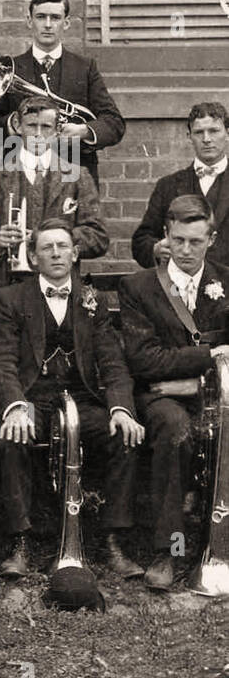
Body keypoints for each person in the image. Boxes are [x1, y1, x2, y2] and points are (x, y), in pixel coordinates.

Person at [0, 218, 145, 580]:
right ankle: (20, 541)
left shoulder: (93, 300)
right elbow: (1, 362)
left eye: (62, 247)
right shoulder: (10, 299)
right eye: (47, 247)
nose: (56, 253)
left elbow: (112, 361)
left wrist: (121, 408)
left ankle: (112, 539)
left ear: (75, 254)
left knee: (125, 434)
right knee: (14, 434)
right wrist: (14, 406)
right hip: (33, 397)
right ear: (33, 256)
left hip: (81, 396)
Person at [119, 195, 229, 590]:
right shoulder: (138, 287)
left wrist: (196, 380)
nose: (184, 250)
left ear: (211, 240)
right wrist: (213, 353)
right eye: (177, 240)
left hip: (214, 393)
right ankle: (171, 548)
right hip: (159, 398)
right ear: (165, 235)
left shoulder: (225, 281)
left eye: (195, 242)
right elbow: (145, 362)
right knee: (174, 428)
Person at [0, 95, 108, 290]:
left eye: (46, 127)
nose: (38, 134)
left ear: (57, 131)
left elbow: (99, 238)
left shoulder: (77, 176)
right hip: (9, 287)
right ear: (18, 126)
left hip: (62, 285)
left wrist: (56, 239)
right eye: (32, 126)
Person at [0, 0, 125, 185]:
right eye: (41, 17)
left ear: (66, 23)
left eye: (55, 18)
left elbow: (114, 123)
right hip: (19, 176)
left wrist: (83, 131)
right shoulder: (9, 69)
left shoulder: (85, 68)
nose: (47, 25)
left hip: (74, 176)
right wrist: (13, 124)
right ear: (29, 21)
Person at [132, 102, 229, 268]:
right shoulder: (167, 185)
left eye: (213, 131)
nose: (206, 139)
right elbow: (141, 241)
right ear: (189, 136)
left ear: (227, 133)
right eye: (199, 132)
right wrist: (156, 249)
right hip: (177, 288)